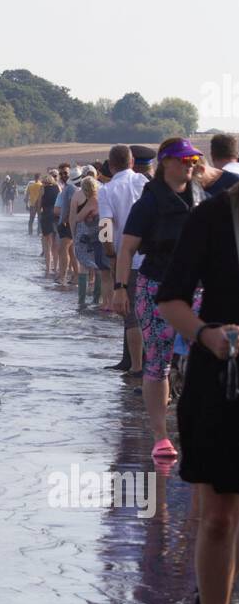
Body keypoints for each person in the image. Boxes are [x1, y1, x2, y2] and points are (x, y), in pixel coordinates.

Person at [158, 187, 239, 604]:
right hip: (222, 381)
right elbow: (171, 299)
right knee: (220, 518)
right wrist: (208, 335)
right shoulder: (212, 217)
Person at [114, 138, 206, 460]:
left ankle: (199, 424)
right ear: (166, 162)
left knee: (208, 354)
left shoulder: (202, 197)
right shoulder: (149, 204)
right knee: (158, 360)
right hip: (156, 287)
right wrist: (119, 287)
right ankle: (160, 435)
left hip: (198, 288)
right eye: (184, 158)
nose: (190, 164)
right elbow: (126, 249)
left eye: (195, 158)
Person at [98, 144, 147, 370]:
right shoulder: (144, 182)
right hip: (149, 254)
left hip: (125, 256)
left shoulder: (107, 190)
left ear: (110, 164)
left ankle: (136, 366)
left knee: (129, 313)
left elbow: (105, 224)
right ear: (132, 161)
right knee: (141, 310)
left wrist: (109, 252)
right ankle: (129, 360)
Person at [70, 174, 109, 309]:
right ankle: (97, 300)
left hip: (88, 238)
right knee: (100, 268)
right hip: (102, 237)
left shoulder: (92, 201)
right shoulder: (103, 199)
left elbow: (78, 218)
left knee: (85, 267)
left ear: (85, 190)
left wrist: (74, 231)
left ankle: (82, 301)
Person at [55, 164, 80, 285]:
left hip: (67, 223)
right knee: (70, 251)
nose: (63, 175)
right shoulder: (67, 187)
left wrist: (65, 218)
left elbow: (72, 203)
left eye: (65, 173)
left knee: (62, 249)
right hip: (66, 222)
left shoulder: (71, 187)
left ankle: (62, 276)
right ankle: (76, 275)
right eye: (61, 173)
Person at [39, 170, 60, 275]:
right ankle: (55, 268)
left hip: (46, 216)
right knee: (55, 244)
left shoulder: (42, 189)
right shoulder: (58, 188)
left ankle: (48, 268)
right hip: (56, 216)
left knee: (47, 244)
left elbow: (39, 205)